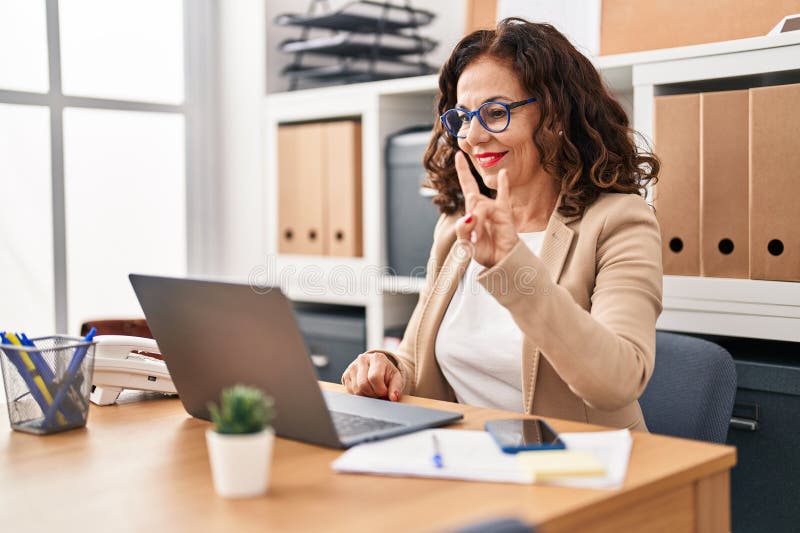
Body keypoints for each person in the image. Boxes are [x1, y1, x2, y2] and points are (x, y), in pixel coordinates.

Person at [342, 18, 662, 430]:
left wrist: (511, 265)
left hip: (580, 465)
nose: (473, 136)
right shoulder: (458, 226)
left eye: (495, 113)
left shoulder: (620, 222)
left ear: (555, 113)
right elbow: (417, 356)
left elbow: (617, 382)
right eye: (463, 117)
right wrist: (387, 366)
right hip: (472, 457)